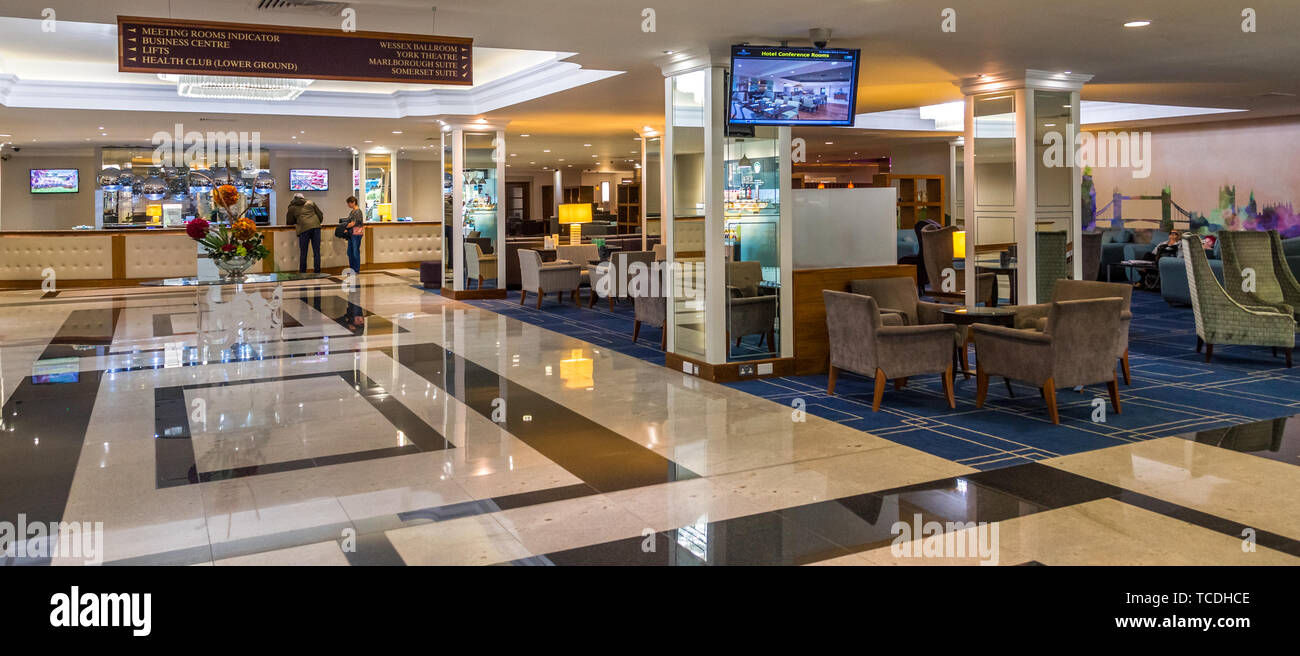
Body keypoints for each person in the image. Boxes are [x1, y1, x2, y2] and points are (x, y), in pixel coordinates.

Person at [286, 193, 325, 273]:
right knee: (316, 251)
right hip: (316, 227)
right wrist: (316, 223)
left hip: (304, 228)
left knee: (304, 252)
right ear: (303, 198)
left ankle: (302, 272)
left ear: (294, 198)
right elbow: (320, 215)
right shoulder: (310, 202)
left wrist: (297, 220)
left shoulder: (292, 207)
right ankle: (317, 271)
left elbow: (289, 222)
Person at [345, 196, 364, 275]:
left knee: (355, 252)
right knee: (350, 252)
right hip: (352, 233)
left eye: (349, 203)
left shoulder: (357, 212)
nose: (348, 205)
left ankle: (356, 269)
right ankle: (352, 269)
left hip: (356, 234)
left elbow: (353, 223)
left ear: (353, 202)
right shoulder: (353, 211)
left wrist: (344, 226)